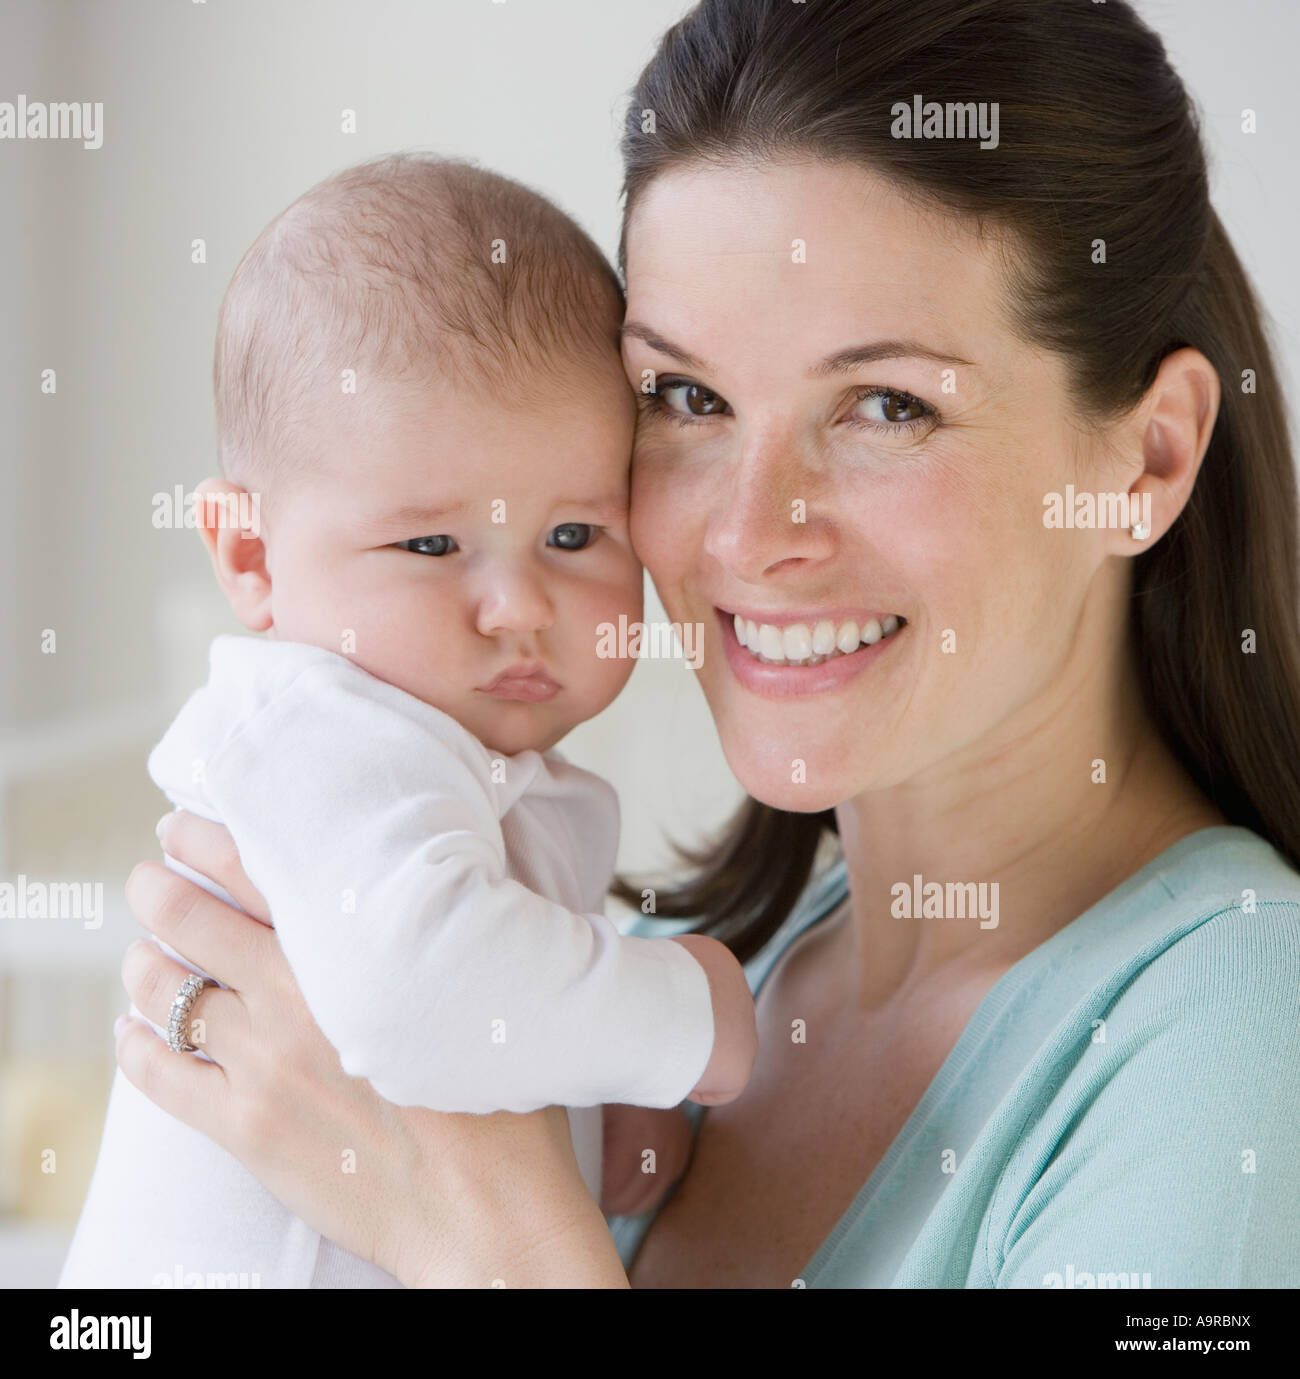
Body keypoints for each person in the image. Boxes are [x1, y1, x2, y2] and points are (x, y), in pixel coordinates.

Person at [113, 0, 1300, 1287]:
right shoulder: (683, 968)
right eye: (687, 397)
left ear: (1149, 454)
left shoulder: (1235, 1039)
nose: (746, 533)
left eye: (887, 404)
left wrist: (493, 1240)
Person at [59, 153, 756, 1289]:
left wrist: (598, 1094)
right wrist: (681, 1013)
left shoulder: (453, 753)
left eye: (575, 535)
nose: (520, 606)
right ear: (251, 556)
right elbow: (422, 993)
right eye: (431, 546)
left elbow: (467, 1009)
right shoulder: (315, 727)